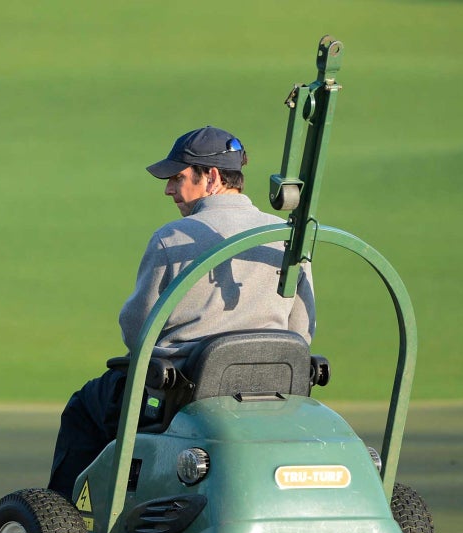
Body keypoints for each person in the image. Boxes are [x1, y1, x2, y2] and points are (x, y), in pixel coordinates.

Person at [48, 126, 316, 499]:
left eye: (178, 178)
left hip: (181, 395)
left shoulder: (174, 238)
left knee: (85, 407)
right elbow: (301, 331)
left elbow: (137, 331)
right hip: (271, 394)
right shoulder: (289, 238)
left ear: (213, 178)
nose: (169, 189)